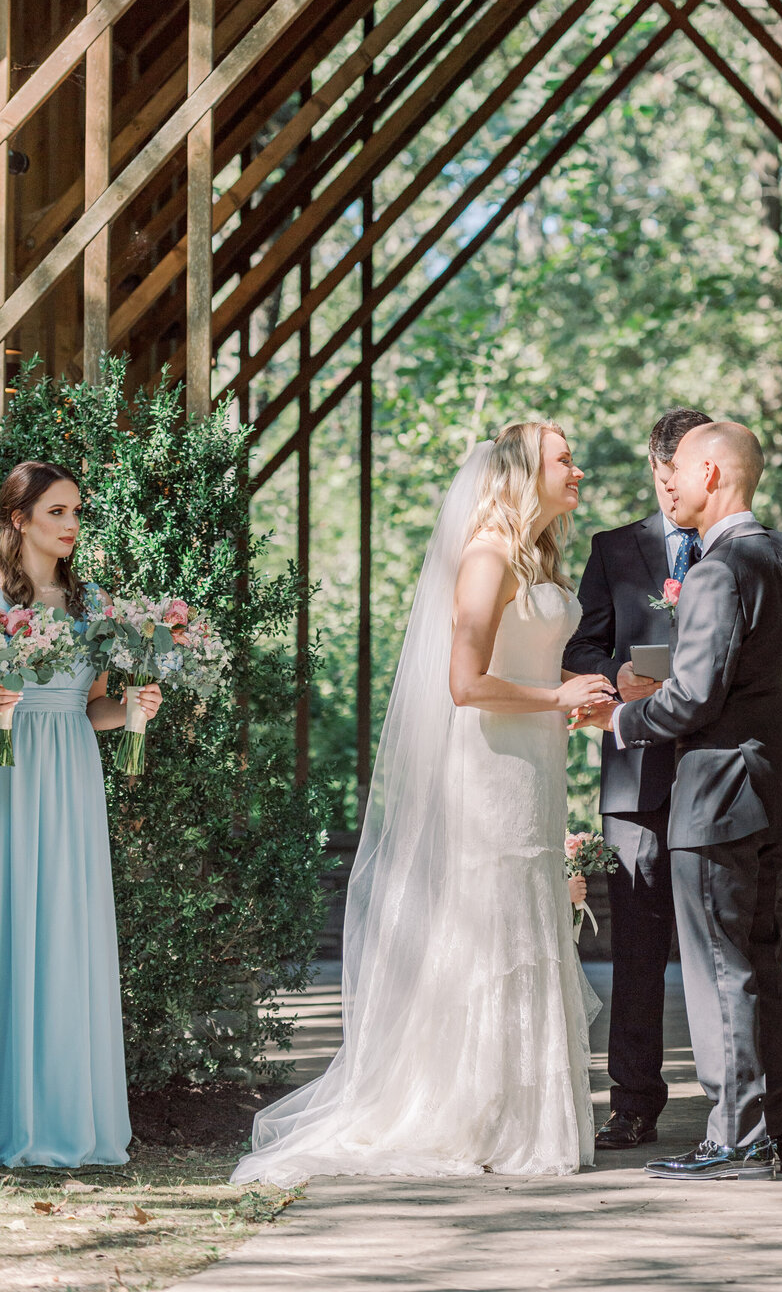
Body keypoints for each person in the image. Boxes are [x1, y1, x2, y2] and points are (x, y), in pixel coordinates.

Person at [232, 422, 615, 1185]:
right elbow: (464, 683)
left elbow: (534, 666)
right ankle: (469, 1112)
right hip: (491, 770)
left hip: (535, 765)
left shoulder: (539, 555)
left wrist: (593, 695)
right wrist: (556, 695)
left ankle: (521, 1118)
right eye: (563, 458)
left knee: (526, 919)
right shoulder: (485, 554)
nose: (578, 468)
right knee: (491, 927)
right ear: (521, 472)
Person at [575, 422, 782, 1181]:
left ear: (712, 473)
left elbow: (692, 697)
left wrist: (617, 716)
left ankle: (734, 1137)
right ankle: (776, 1132)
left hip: (713, 795)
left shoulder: (717, 569)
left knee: (720, 972)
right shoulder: (781, 562)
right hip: (768, 786)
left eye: (675, 468)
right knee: (756, 965)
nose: (666, 481)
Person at [0, 461, 162, 1168]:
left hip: (68, 772)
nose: (71, 525)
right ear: (19, 519)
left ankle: (68, 1114)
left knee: (64, 926)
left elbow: (89, 703)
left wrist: (130, 711)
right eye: (57, 512)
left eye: (75, 513)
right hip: (10, 774)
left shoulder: (91, 603)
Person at [562, 406, 712, 1150]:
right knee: (638, 949)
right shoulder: (614, 551)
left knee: (723, 946)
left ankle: (736, 1107)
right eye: (667, 471)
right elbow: (579, 647)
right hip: (635, 775)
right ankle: (633, 1102)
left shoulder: (749, 546)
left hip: (718, 774)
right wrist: (611, 676)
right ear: (658, 469)